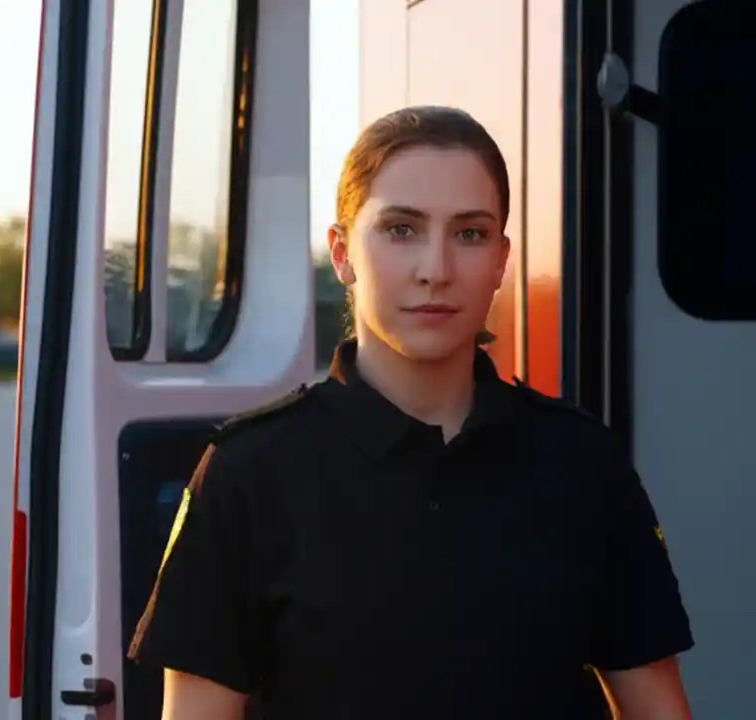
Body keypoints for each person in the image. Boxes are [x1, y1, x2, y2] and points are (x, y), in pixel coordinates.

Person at [128, 105, 694, 719]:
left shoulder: (583, 467)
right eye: (402, 230)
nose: (436, 270)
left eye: (469, 233)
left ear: (502, 260)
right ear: (342, 253)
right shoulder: (250, 474)